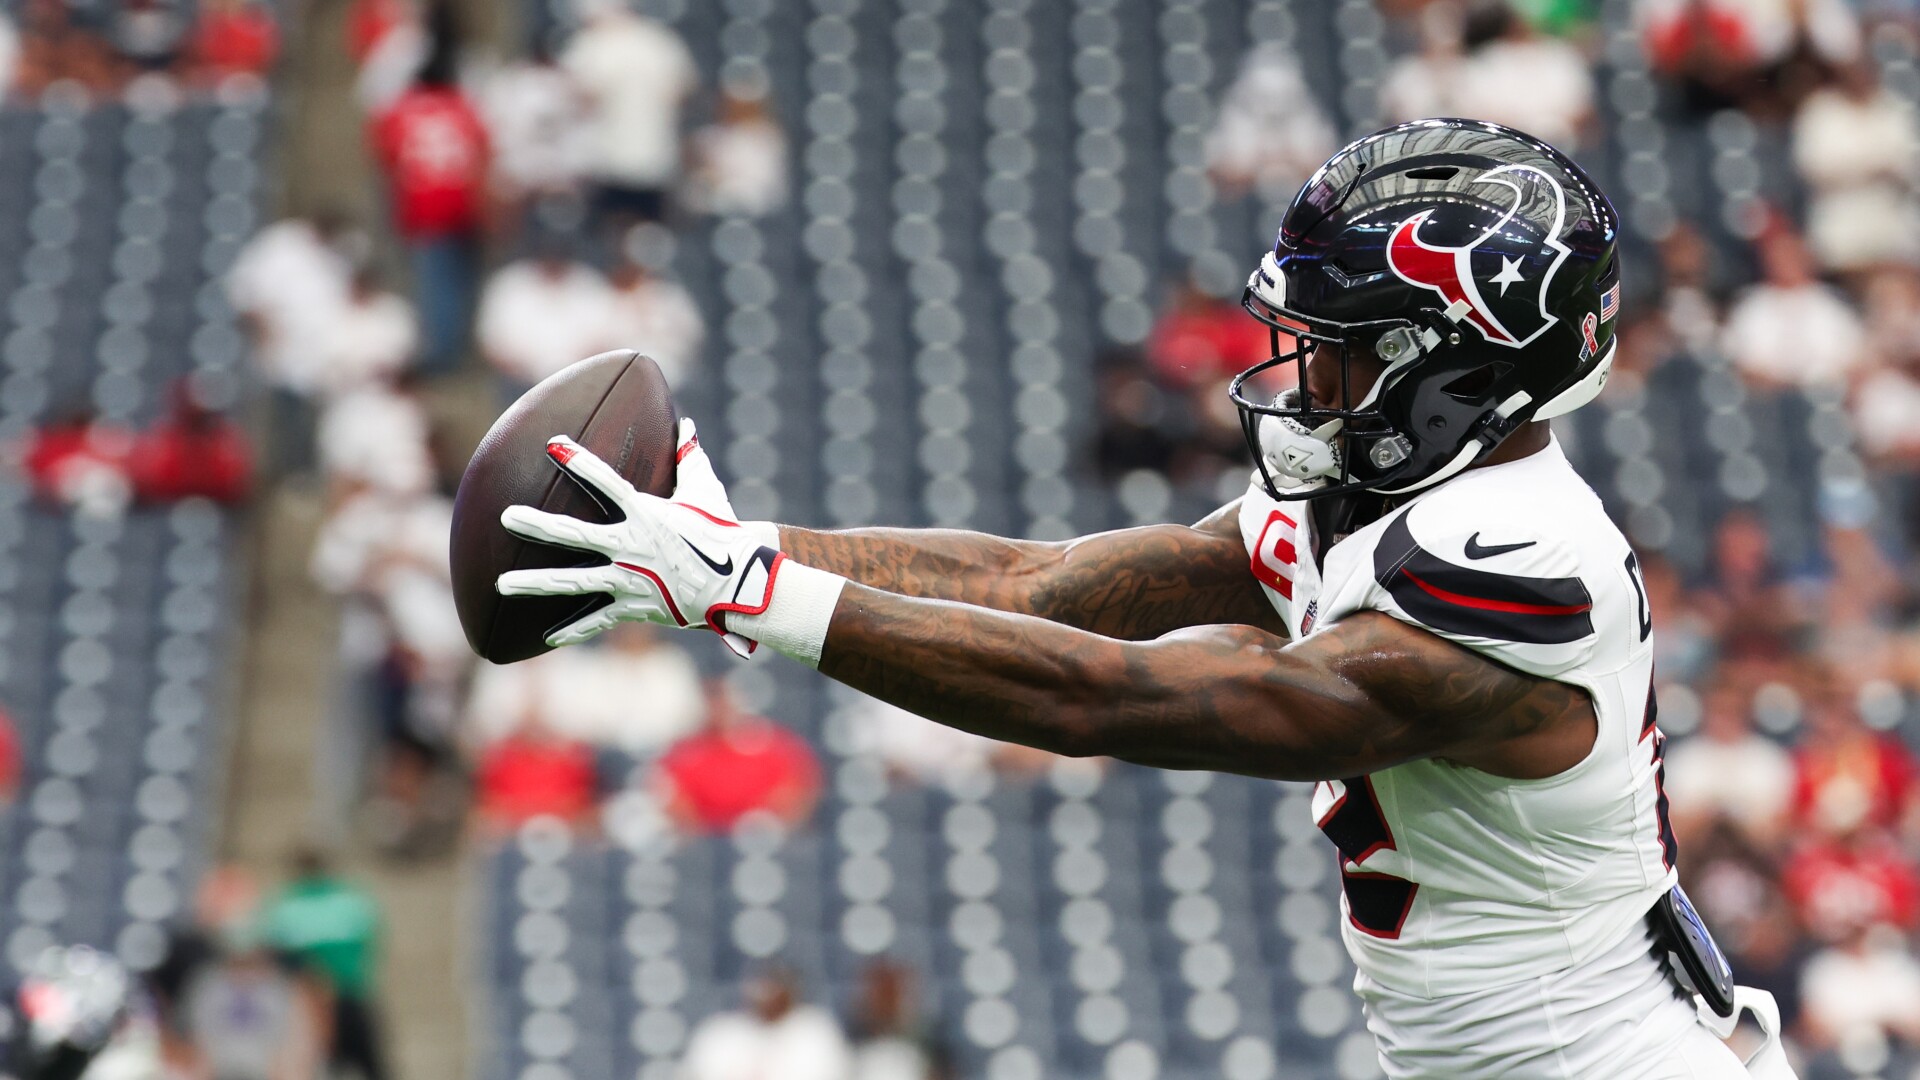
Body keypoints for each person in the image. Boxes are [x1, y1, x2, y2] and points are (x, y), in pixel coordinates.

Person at [494, 121, 1794, 1075]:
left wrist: (753, 597)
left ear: (1450, 370)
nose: (1304, 381)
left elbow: (1096, 696)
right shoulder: (1386, 496)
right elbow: (1050, 588)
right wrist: (729, 548)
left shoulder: (1517, 568)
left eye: (1341, 355)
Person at [368, 29, 488, 377]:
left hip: (423, 205)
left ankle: (443, 354)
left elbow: (386, 157)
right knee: (459, 280)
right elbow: (482, 152)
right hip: (463, 202)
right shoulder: (463, 107)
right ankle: (455, 346)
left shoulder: (402, 111)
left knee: (433, 281)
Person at [560, 0, 696, 228]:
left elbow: (575, 99)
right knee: (646, 239)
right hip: (648, 162)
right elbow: (683, 94)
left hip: (607, 163)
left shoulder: (590, 44)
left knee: (610, 240)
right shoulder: (661, 41)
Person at [259, 849, 388, 1080]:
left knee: (324, 1069)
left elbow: (277, 959)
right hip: (352, 996)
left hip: (311, 1005)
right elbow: (370, 944)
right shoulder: (352, 898)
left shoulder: (284, 906)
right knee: (373, 1067)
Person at [652, 681, 820, 834]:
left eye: (723, 703)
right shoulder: (684, 751)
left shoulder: (772, 745)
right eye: (713, 704)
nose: (718, 710)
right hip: (705, 835)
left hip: (761, 832)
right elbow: (671, 796)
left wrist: (772, 818)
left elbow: (799, 786)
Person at [680, 967, 850, 1080]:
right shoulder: (721, 1031)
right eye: (762, 988)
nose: (767, 996)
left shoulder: (814, 1028)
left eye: (774, 987)